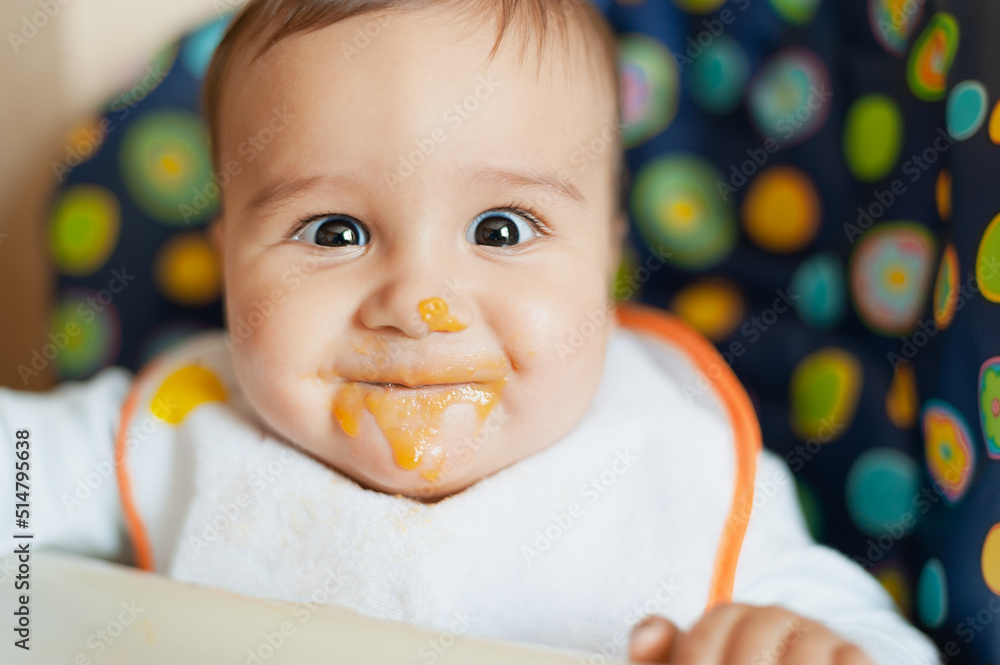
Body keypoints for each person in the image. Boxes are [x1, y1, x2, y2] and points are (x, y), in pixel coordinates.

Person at [0, 1, 940, 663]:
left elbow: (879, 648)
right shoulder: (183, 422)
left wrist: (793, 649)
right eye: (334, 232)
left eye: (501, 229)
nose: (419, 301)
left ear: (606, 263)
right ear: (230, 254)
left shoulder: (674, 460)